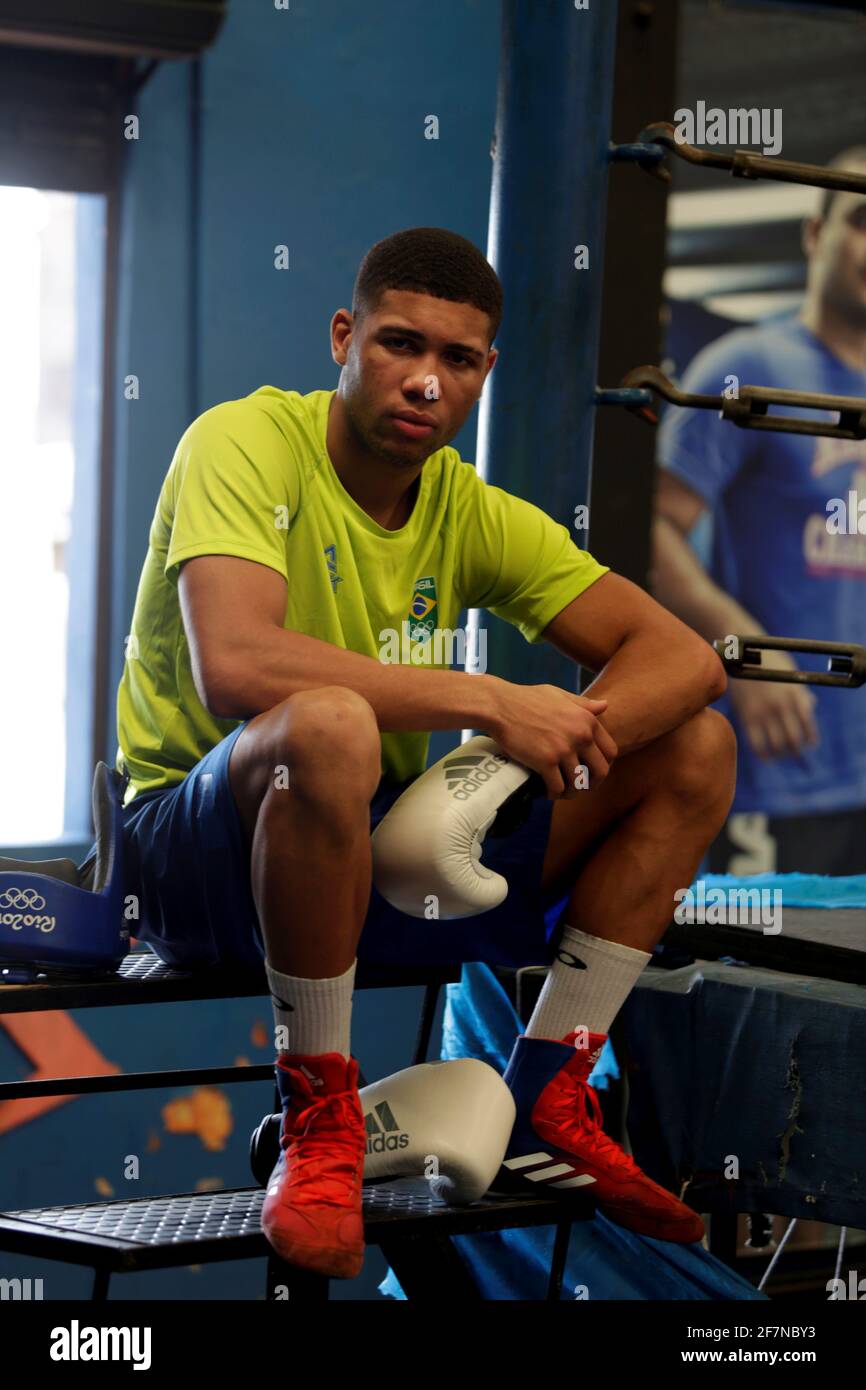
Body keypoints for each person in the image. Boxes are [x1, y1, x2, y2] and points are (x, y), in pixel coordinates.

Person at [113, 227, 735, 1280]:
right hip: (195, 864)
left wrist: (493, 766)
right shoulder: (245, 443)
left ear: (483, 373)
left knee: (694, 747)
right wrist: (494, 701)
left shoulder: (466, 505)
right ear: (343, 338)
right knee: (326, 722)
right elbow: (234, 661)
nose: (423, 380)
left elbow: (680, 655)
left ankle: (552, 1088)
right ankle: (315, 1122)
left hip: (381, 851)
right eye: (399, 345)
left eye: (456, 359)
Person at [652, 149, 866, 875]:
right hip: (779, 762)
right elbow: (654, 534)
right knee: (770, 976)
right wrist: (742, 645)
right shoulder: (747, 367)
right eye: (862, 221)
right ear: (815, 234)